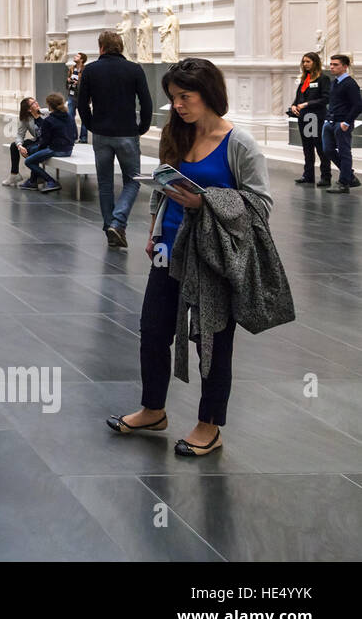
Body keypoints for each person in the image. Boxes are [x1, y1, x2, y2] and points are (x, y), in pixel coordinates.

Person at [107, 58, 288, 457]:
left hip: (213, 258)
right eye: (173, 98)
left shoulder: (239, 143)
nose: (178, 105)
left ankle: (210, 425)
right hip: (169, 252)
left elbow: (261, 205)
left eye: (184, 97)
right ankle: (153, 409)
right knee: (153, 331)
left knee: (214, 341)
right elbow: (161, 186)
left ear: (208, 95)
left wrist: (204, 202)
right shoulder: (177, 133)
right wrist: (154, 231)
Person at [77, 29, 153, 249]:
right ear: (121, 47)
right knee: (133, 181)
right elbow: (146, 102)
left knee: (105, 183)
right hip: (127, 132)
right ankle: (118, 222)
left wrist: (91, 125)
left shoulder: (90, 70)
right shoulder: (134, 69)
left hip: (101, 134)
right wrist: (142, 127)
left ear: (101, 48)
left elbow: (83, 104)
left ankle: (111, 226)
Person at [289, 51, 331, 186]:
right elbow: (298, 97)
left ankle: (326, 176)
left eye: (308, 61)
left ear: (315, 62)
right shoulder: (305, 79)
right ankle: (308, 175)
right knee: (307, 148)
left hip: (315, 117)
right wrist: (294, 106)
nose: (305, 64)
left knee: (320, 147)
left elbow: (325, 98)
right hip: (304, 118)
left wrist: (307, 104)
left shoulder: (322, 79)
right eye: (304, 62)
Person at [21, 93, 77, 193]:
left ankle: (50, 181)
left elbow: (44, 142)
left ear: (50, 106)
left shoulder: (49, 120)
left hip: (56, 149)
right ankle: (33, 181)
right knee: (33, 150)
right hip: (69, 149)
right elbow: (75, 136)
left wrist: (37, 150)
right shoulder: (69, 116)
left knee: (29, 161)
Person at [322, 53, 362, 193]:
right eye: (331, 64)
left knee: (344, 152)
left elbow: (357, 105)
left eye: (335, 65)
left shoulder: (350, 84)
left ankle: (344, 183)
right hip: (330, 121)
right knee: (327, 150)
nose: (332, 67)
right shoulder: (335, 82)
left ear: (345, 67)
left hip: (342, 123)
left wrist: (346, 122)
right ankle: (349, 176)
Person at [2, 96, 43, 187]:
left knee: (31, 148)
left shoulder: (46, 113)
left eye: (35, 101)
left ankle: (37, 174)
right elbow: (20, 135)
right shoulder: (26, 119)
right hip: (38, 140)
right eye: (33, 103)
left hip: (48, 141)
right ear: (29, 110)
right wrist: (20, 146)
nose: (36, 103)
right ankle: (14, 174)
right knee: (14, 145)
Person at [66, 52, 88, 143]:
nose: (75, 57)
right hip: (72, 95)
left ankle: (83, 138)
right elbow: (67, 84)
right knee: (70, 116)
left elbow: (87, 83)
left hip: (82, 96)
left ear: (82, 59)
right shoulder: (71, 69)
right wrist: (68, 81)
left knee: (84, 117)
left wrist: (78, 83)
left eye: (77, 56)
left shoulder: (86, 70)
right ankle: (73, 136)